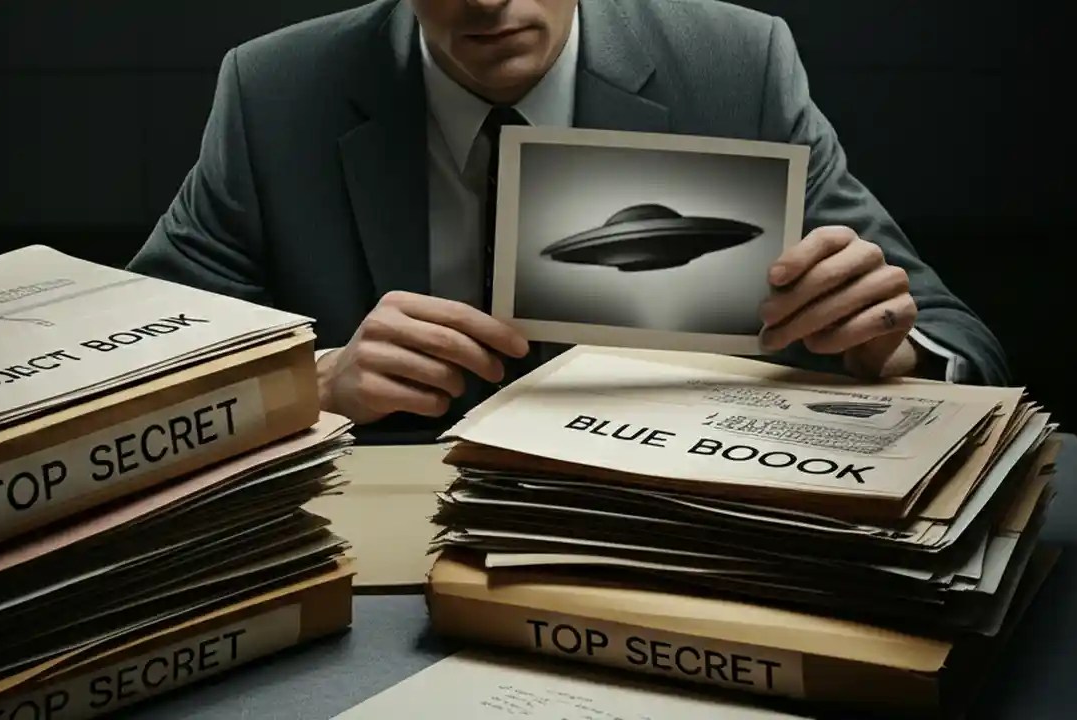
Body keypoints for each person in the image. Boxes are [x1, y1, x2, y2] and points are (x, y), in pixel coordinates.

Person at [127, 0, 1009, 441]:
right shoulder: (274, 92)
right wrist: (312, 384)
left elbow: (963, 348)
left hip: (673, 545)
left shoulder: (738, 64)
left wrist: (886, 348)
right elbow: (121, 382)